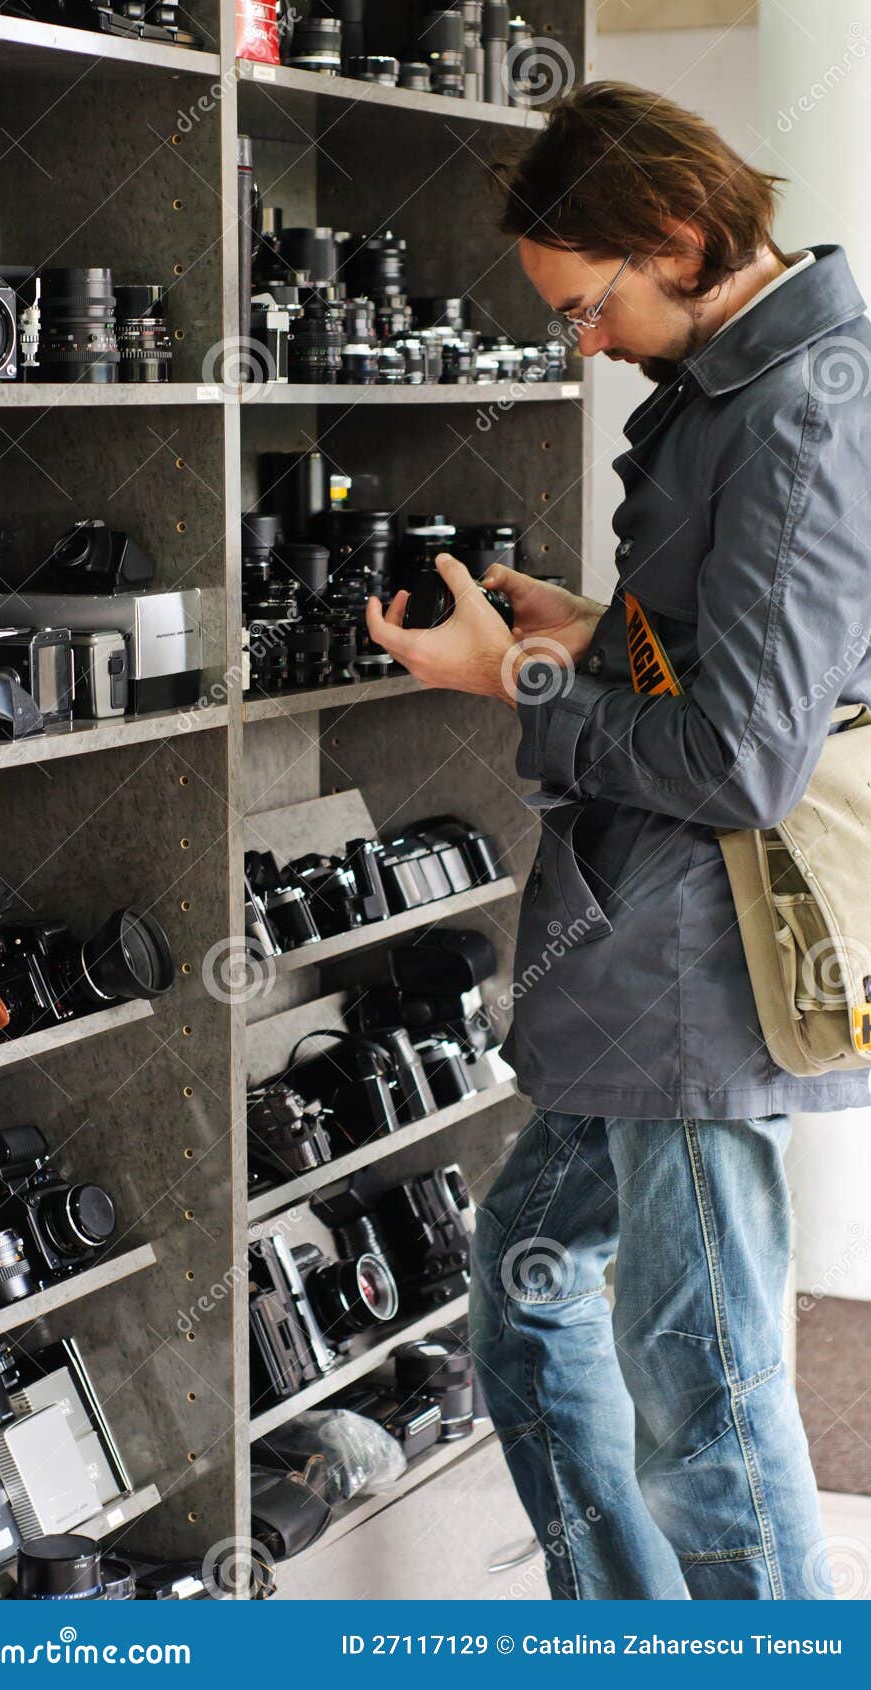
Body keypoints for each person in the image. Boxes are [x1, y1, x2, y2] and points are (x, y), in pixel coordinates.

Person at [366, 82, 871, 1601]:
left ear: (680, 234)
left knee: (704, 1392)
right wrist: (597, 633)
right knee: (527, 1286)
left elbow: (736, 758)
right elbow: (737, 659)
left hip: (697, 968)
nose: (583, 343)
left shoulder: (802, 413)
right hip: (650, 948)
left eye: (590, 308)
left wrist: (516, 681)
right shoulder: (749, 390)